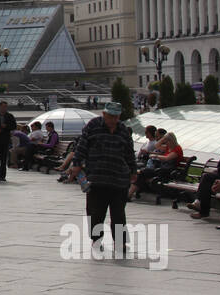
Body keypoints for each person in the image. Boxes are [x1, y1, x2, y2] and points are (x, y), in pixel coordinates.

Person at [68, 102, 138, 256]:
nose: (113, 120)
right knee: (95, 212)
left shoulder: (123, 130)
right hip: (97, 177)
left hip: (118, 178)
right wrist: (77, 164)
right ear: (104, 114)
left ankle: (120, 242)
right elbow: (82, 146)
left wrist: (133, 171)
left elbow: (129, 153)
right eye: (110, 116)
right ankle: (96, 239)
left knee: (119, 213)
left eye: (116, 116)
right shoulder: (93, 126)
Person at [134, 132, 183, 201]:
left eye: (167, 140)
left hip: (168, 171)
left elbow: (167, 158)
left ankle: (131, 193)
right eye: (165, 140)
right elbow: (157, 145)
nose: (165, 142)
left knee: (143, 172)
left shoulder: (177, 149)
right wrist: (163, 138)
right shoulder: (168, 148)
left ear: (171, 140)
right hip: (161, 169)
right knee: (142, 173)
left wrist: (156, 155)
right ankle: (131, 193)